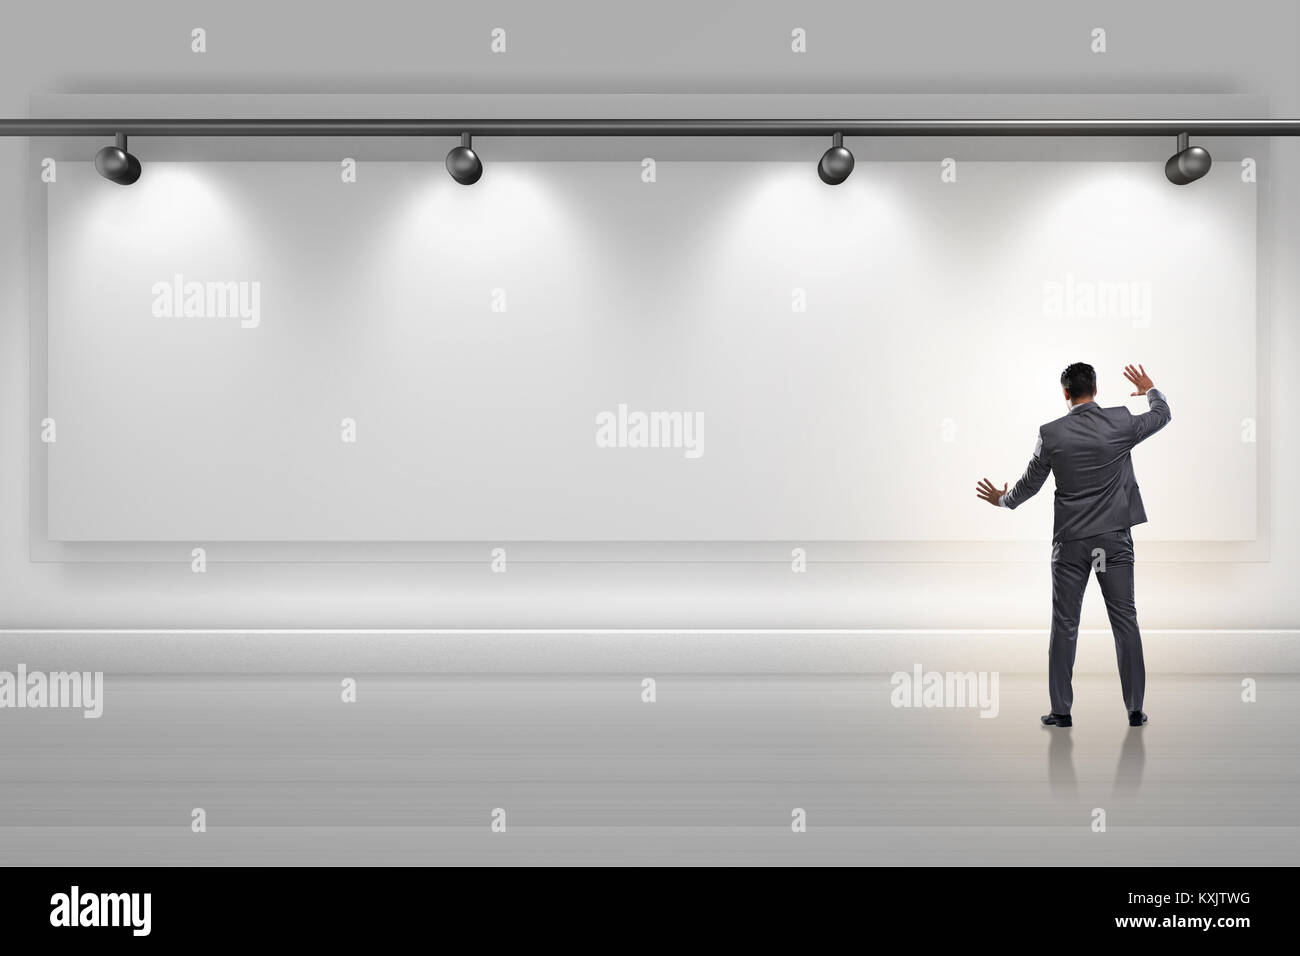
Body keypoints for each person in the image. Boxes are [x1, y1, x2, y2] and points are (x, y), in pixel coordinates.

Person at [976, 363, 1171, 728]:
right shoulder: (1121, 421)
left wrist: (1004, 500)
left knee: (1065, 624)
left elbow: (1030, 484)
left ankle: (1061, 711)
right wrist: (1150, 389)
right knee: (1125, 620)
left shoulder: (1051, 434)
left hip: (1071, 546)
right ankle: (1134, 709)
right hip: (1113, 542)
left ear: (1065, 393)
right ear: (1095, 388)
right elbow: (1162, 415)